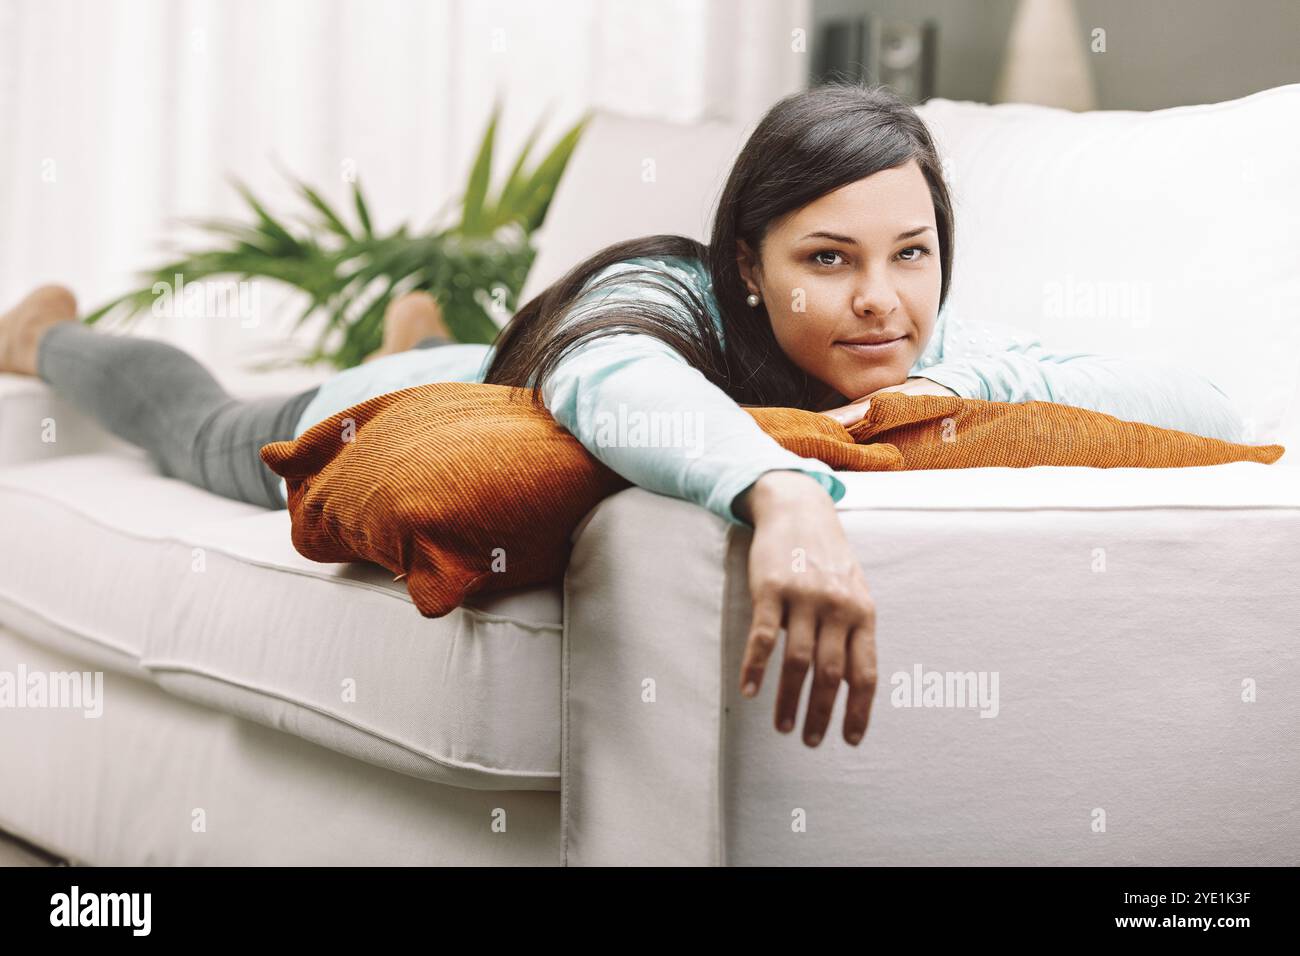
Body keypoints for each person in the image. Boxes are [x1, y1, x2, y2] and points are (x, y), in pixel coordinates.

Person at [0, 83, 1243, 752]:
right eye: (827, 257)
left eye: (911, 252)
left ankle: (432, 336)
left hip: (489, 358)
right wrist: (782, 488)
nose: (880, 299)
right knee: (194, 419)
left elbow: (1198, 404)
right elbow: (607, 377)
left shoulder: (920, 338)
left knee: (467, 353)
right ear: (747, 264)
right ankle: (43, 334)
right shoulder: (658, 288)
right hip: (366, 411)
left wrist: (956, 383)